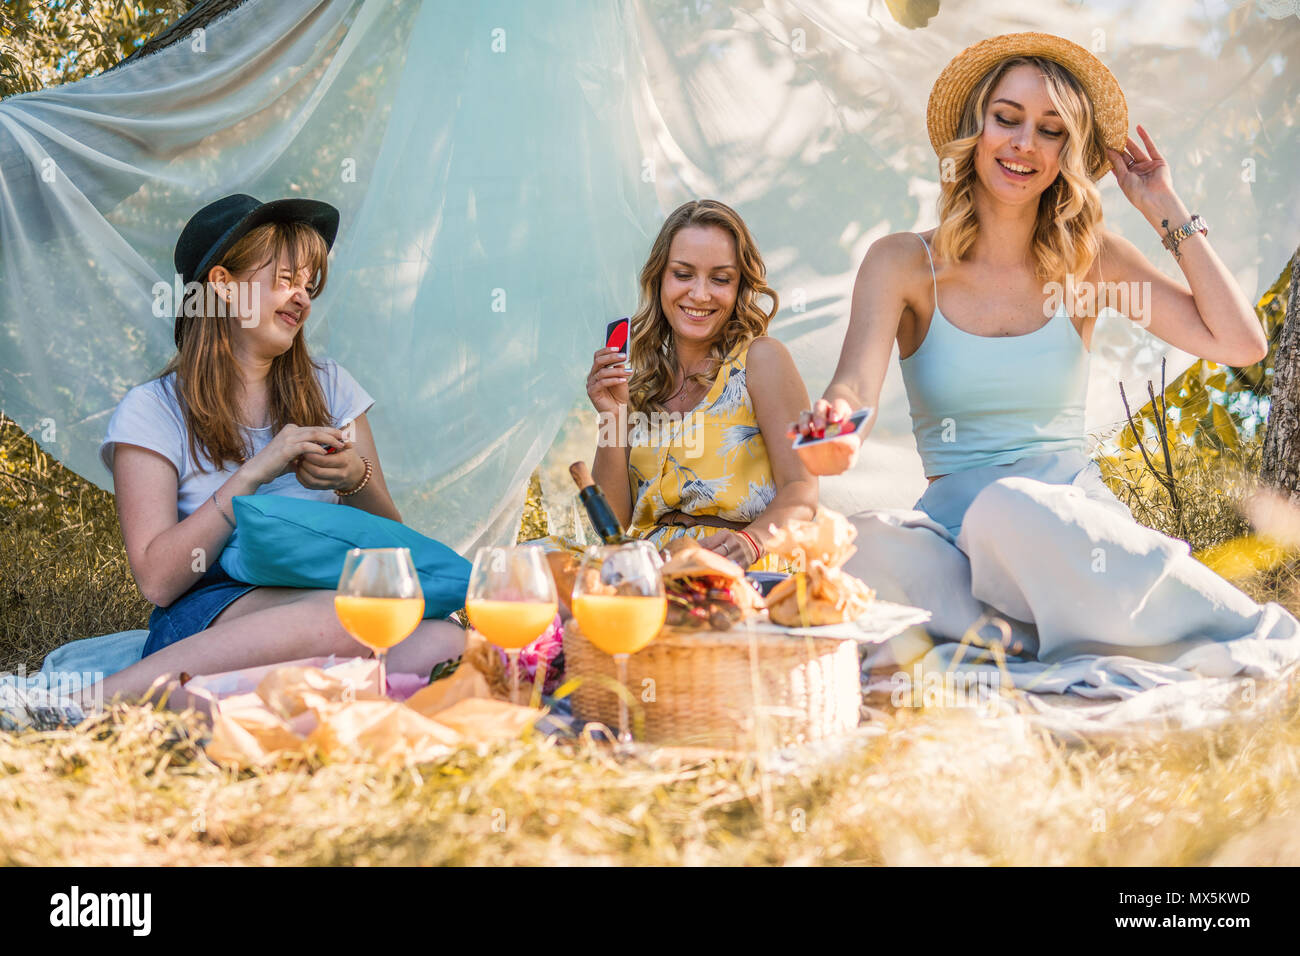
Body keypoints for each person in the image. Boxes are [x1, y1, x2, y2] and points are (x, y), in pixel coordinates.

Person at [791, 33, 1299, 665]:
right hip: (954, 534)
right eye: (1007, 118)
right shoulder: (901, 261)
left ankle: (1020, 637)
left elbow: (1241, 344)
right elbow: (853, 388)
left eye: (1051, 130)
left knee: (1009, 509)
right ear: (976, 127)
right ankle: (1026, 641)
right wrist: (832, 424)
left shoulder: (1090, 262)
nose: (1024, 143)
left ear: (1069, 151)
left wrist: (1162, 206)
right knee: (861, 540)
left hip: (1061, 523)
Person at [86, 194, 465, 707]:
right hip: (211, 611)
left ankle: (267, 702)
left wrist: (354, 477)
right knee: (348, 613)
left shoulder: (333, 389)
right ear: (222, 285)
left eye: (309, 285)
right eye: (284, 280)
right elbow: (157, 580)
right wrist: (251, 475)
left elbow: (390, 548)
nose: (303, 298)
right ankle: (92, 701)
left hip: (335, 592)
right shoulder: (153, 409)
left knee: (445, 643)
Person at [585, 199, 817, 571]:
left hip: (738, 564)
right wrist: (613, 416)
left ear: (740, 286)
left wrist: (751, 543)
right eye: (683, 274)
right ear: (659, 277)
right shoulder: (642, 381)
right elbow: (611, 525)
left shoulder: (762, 360)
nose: (700, 294)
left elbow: (801, 489)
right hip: (651, 569)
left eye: (720, 278)